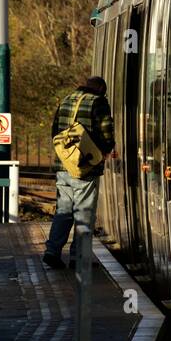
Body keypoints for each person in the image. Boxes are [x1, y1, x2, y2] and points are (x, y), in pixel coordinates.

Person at [44, 75, 115, 269]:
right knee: (84, 213)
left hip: (63, 166)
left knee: (64, 211)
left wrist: (65, 155)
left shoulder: (67, 99)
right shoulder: (98, 102)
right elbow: (106, 130)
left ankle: (52, 251)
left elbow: (54, 131)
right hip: (85, 167)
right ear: (100, 89)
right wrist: (107, 150)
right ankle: (79, 258)